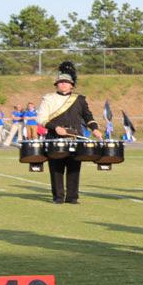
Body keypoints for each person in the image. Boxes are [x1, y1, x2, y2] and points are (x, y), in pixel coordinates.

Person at [37, 62, 103, 204]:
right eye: (60, 82)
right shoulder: (48, 98)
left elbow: (88, 117)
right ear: (56, 84)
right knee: (56, 168)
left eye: (66, 82)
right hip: (55, 137)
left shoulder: (79, 99)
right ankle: (58, 197)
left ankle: (72, 197)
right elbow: (41, 119)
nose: (63, 85)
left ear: (72, 85)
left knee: (74, 167)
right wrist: (55, 128)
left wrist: (95, 129)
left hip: (75, 137)